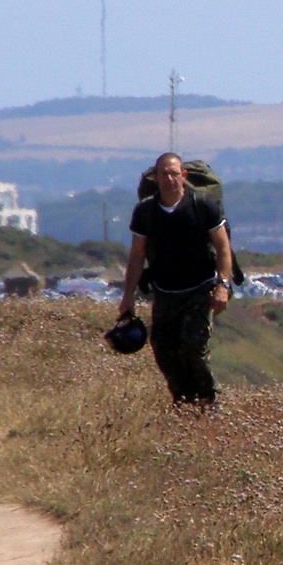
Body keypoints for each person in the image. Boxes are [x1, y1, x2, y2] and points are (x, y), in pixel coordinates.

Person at [117, 153, 234, 407]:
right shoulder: (145, 212)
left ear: (184, 176)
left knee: (193, 346)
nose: (169, 179)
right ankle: (183, 400)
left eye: (174, 174)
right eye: (164, 174)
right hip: (165, 291)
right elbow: (137, 256)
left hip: (201, 288)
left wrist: (222, 286)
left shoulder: (203, 206)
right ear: (155, 178)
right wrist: (127, 297)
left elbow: (223, 249)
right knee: (163, 348)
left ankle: (209, 399)